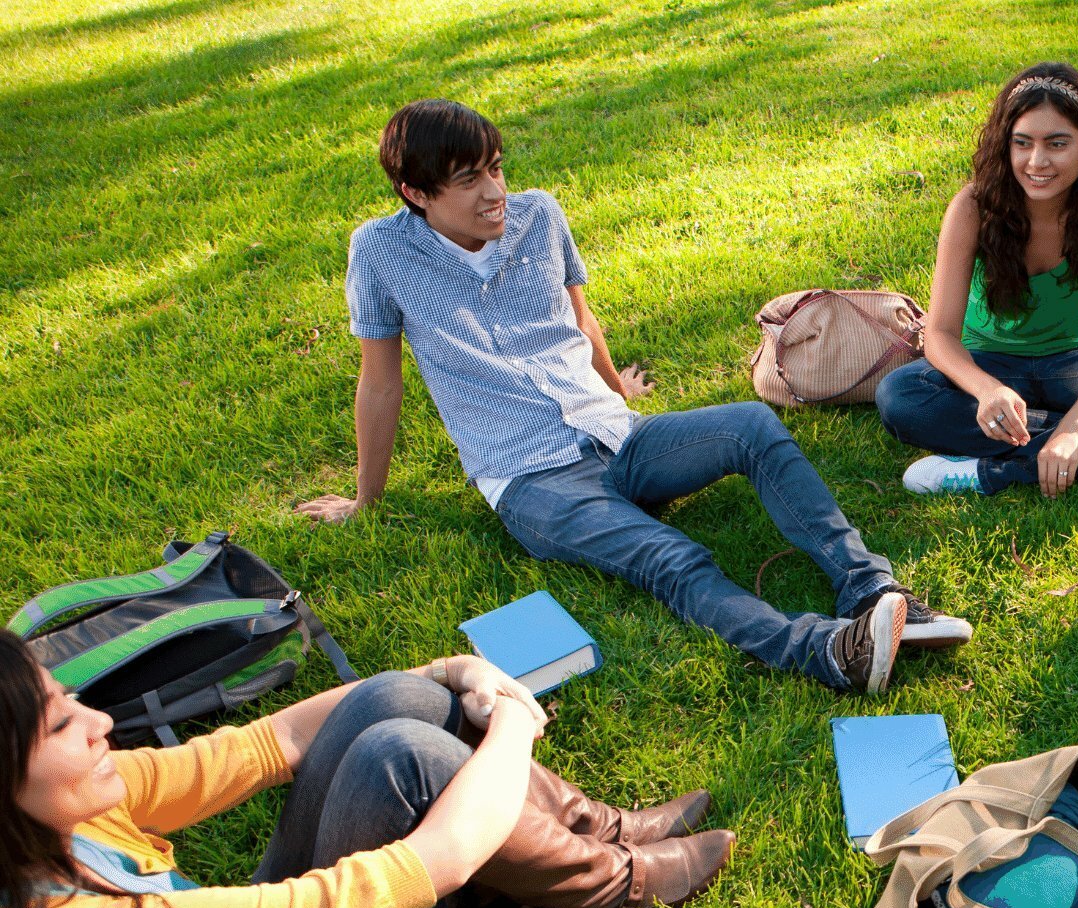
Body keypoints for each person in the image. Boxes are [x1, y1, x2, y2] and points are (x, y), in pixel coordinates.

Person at [295, 99, 970, 694]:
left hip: (614, 433)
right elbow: (381, 381)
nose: (494, 190)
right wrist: (365, 500)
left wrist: (617, 394)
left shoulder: (539, 216)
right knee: (670, 557)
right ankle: (826, 651)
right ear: (416, 192)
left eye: (495, 167)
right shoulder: (380, 253)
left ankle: (874, 589)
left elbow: (582, 322)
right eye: (469, 179)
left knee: (751, 427)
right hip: (531, 479)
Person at [0, 632, 736, 908]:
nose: (100, 723)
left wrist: (451, 673)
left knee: (390, 706)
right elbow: (430, 862)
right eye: (63, 724)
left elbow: (271, 744)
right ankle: (614, 881)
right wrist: (511, 728)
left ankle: (596, 829)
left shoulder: (72, 818)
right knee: (405, 757)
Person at [872, 62, 1078, 498]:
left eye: (1057, 143)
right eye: (1022, 143)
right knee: (901, 395)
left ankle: (987, 472)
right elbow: (940, 335)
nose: (1036, 161)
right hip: (990, 362)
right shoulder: (973, 207)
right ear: (1004, 146)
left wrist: (1075, 426)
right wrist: (987, 391)